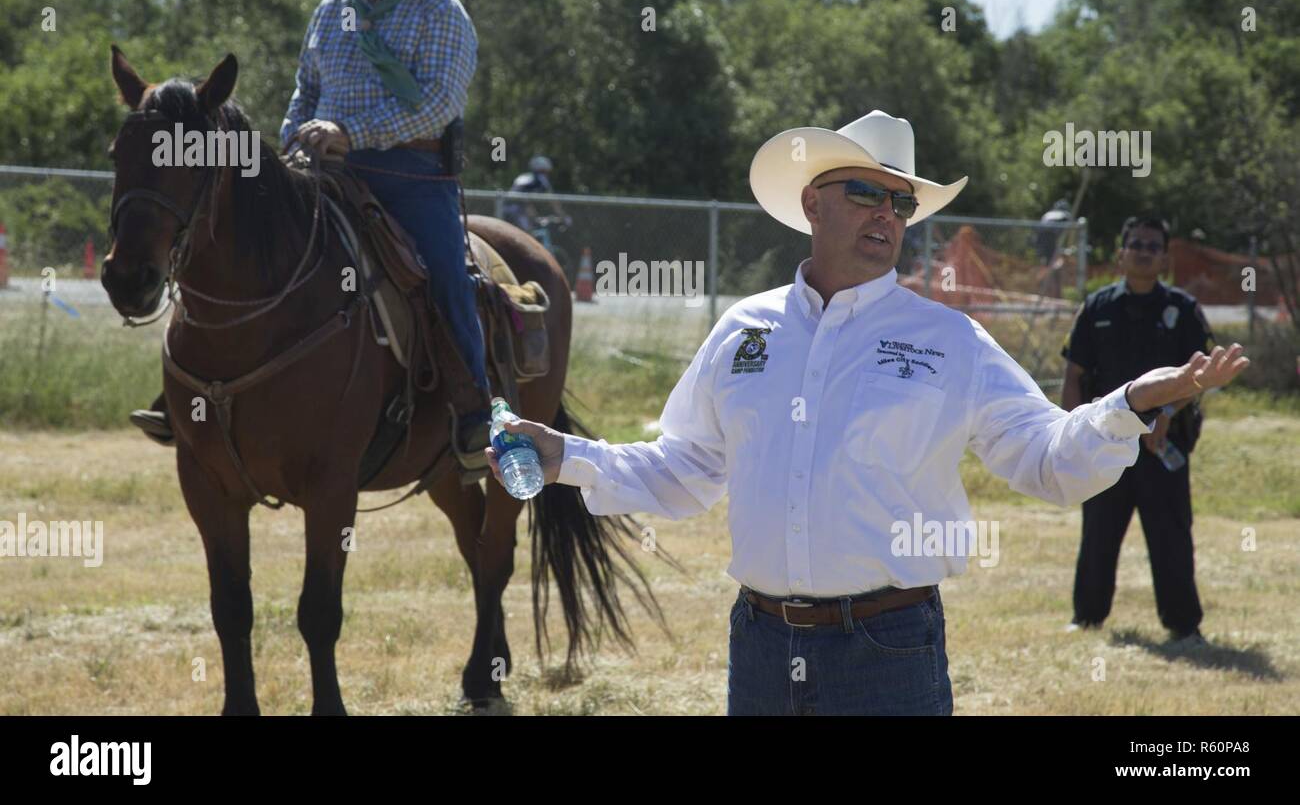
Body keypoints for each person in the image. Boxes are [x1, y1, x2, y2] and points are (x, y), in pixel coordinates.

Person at [483, 110, 1249, 716]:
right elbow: (684, 470)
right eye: (867, 194)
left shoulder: (948, 339)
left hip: (889, 653)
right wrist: (564, 457)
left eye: (902, 201)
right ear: (811, 202)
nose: (888, 214)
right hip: (759, 645)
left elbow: (1045, 458)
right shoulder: (744, 329)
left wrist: (1128, 404)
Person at [129, 0, 494, 471]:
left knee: (447, 270)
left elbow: (441, 103)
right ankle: (190, 394)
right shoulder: (332, 10)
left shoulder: (440, 12)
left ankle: (474, 407)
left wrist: (354, 135)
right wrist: (298, 138)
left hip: (411, 173)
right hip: (320, 168)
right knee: (228, 246)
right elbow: (305, 93)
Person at [1061, 216, 1216, 645]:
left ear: (1164, 258)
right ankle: (1086, 617)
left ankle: (1184, 625)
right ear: (1120, 254)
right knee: (1099, 534)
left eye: (1153, 246)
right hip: (1107, 446)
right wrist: (1073, 432)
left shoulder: (1183, 311)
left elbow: (1200, 375)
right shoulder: (1097, 308)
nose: (1144, 251)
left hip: (1160, 442)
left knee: (1170, 536)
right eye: (1136, 244)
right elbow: (1073, 373)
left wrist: (1165, 414)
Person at [502, 155, 565, 231]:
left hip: (505, 208)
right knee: (527, 235)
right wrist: (562, 215)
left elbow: (526, 200)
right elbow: (552, 200)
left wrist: (534, 215)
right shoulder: (541, 178)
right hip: (517, 210)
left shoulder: (524, 176)